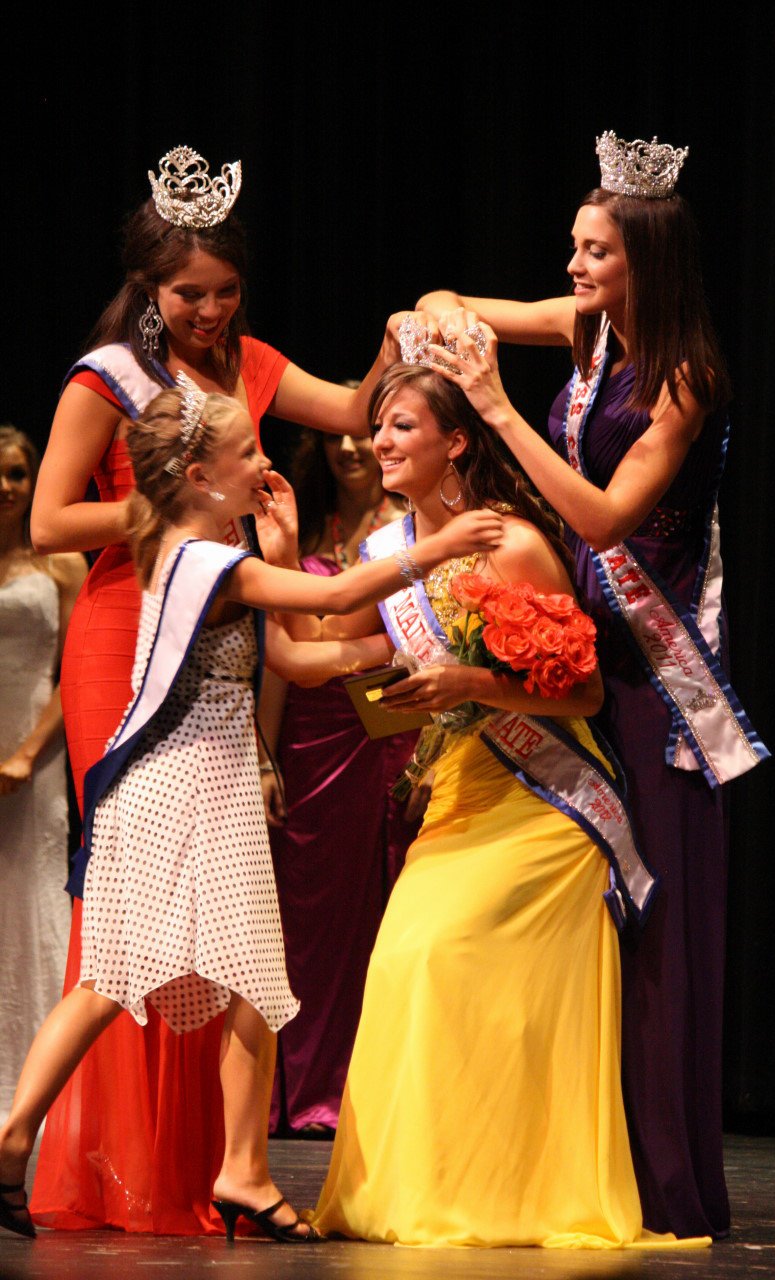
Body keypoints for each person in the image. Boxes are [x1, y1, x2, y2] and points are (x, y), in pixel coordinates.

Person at [25, 145, 427, 1234]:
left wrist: (398, 335)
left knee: (221, 908)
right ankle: (118, 1162)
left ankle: (212, 1162)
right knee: (138, 901)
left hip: (229, 621)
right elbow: (51, 520)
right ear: (148, 288)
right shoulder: (108, 378)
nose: (209, 313)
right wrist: (177, 510)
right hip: (131, 630)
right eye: (188, 295)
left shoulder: (249, 362)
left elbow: (353, 410)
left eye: (225, 292)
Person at [0, 380, 503, 1243]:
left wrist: (413, 638)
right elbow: (328, 600)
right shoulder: (200, 560)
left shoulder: (212, 547)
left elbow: (298, 657)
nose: (265, 461)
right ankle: (40, 1140)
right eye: (247, 453)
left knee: (222, 979)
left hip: (201, 781)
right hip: (183, 785)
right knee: (142, 978)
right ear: (200, 476)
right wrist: (441, 547)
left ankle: (227, 1166)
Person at [415, 130, 768, 1239]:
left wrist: (496, 406)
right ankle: (576, 1166)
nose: (572, 267)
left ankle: (664, 1184)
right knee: (581, 918)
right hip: (575, 654)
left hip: (654, 679)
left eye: (594, 252)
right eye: (572, 248)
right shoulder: (584, 330)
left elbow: (606, 518)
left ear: (644, 260)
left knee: (651, 917)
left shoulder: (684, 379)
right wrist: (443, 319)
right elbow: (438, 303)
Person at [304, 362, 707, 1249]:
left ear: (456, 442)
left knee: (446, 958)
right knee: (403, 964)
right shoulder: (388, 549)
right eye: (378, 426)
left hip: (544, 809)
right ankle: (418, 1191)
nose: (379, 442)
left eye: (402, 426)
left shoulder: (513, 545)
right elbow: (314, 648)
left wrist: (471, 682)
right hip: (456, 794)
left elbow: (583, 695)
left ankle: (504, 1196)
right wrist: (273, 543)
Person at [259, 417, 421, 1138]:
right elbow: (282, 657)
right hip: (312, 740)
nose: (352, 448)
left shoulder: (411, 531)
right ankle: (301, 1088)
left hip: (392, 731)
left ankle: (368, 1091)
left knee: (387, 912)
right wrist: (265, 753)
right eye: (338, 439)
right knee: (308, 920)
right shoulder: (299, 533)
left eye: (368, 435)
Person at [0, 428, 86, 1122]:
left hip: (35, 748)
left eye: (16, 474)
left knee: (32, 895)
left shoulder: (60, 561)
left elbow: (77, 670)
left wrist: (28, 751)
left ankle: (40, 1086)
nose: (5, 487)